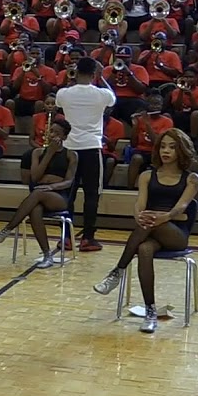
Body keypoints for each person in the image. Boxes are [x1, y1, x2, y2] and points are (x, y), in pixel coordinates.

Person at [93, 130, 198, 332]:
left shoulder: (191, 179)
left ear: (182, 150)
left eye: (172, 146)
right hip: (150, 228)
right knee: (144, 250)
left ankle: (117, 272)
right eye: (162, 146)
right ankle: (150, 311)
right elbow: (139, 205)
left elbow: (181, 209)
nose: (166, 151)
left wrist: (164, 217)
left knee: (149, 223)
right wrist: (139, 216)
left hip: (176, 233)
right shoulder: (147, 176)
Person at [0, 118, 78, 268]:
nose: (52, 135)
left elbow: (69, 181)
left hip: (58, 196)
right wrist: (49, 154)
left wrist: (52, 187)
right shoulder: (37, 152)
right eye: (51, 131)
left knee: (37, 193)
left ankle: (6, 230)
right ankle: (47, 255)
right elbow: (34, 177)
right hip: (40, 193)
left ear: (64, 137)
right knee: (35, 209)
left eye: (57, 133)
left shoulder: (71, 155)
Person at [55, 57, 116, 251]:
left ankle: (66, 237)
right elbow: (113, 98)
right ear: (93, 74)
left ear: (76, 71)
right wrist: (102, 76)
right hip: (91, 147)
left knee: (68, 194)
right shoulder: (101, 94)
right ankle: (88, 238)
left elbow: (60, 100)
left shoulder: (64, 93)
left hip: (70, 147)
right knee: (92, 194)